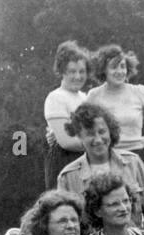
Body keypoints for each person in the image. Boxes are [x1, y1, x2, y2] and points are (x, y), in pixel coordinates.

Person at [55, 101, 144, 228]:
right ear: (79, 137)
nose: (98, 139)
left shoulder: (133, 162)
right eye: (90, 134)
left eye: (102, 131)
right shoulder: (68, 176)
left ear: (111, 131)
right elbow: (64, 220)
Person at [84, 45, 144, 153]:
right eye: (114, 67)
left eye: (122, 66)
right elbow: (82, 127)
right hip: (104, 156)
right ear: (103, 70)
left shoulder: (138, 92)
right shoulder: (94, 95)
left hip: (135, 155)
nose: (120, 71)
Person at [43, 41, 92, 189]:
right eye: (72, 71)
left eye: (82, 71)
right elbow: (67, 142)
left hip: (87, 161)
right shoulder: (56, 97)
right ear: (62, 72)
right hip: (65, 163)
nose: (78, 76)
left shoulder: (86, 98)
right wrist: (100, 144)